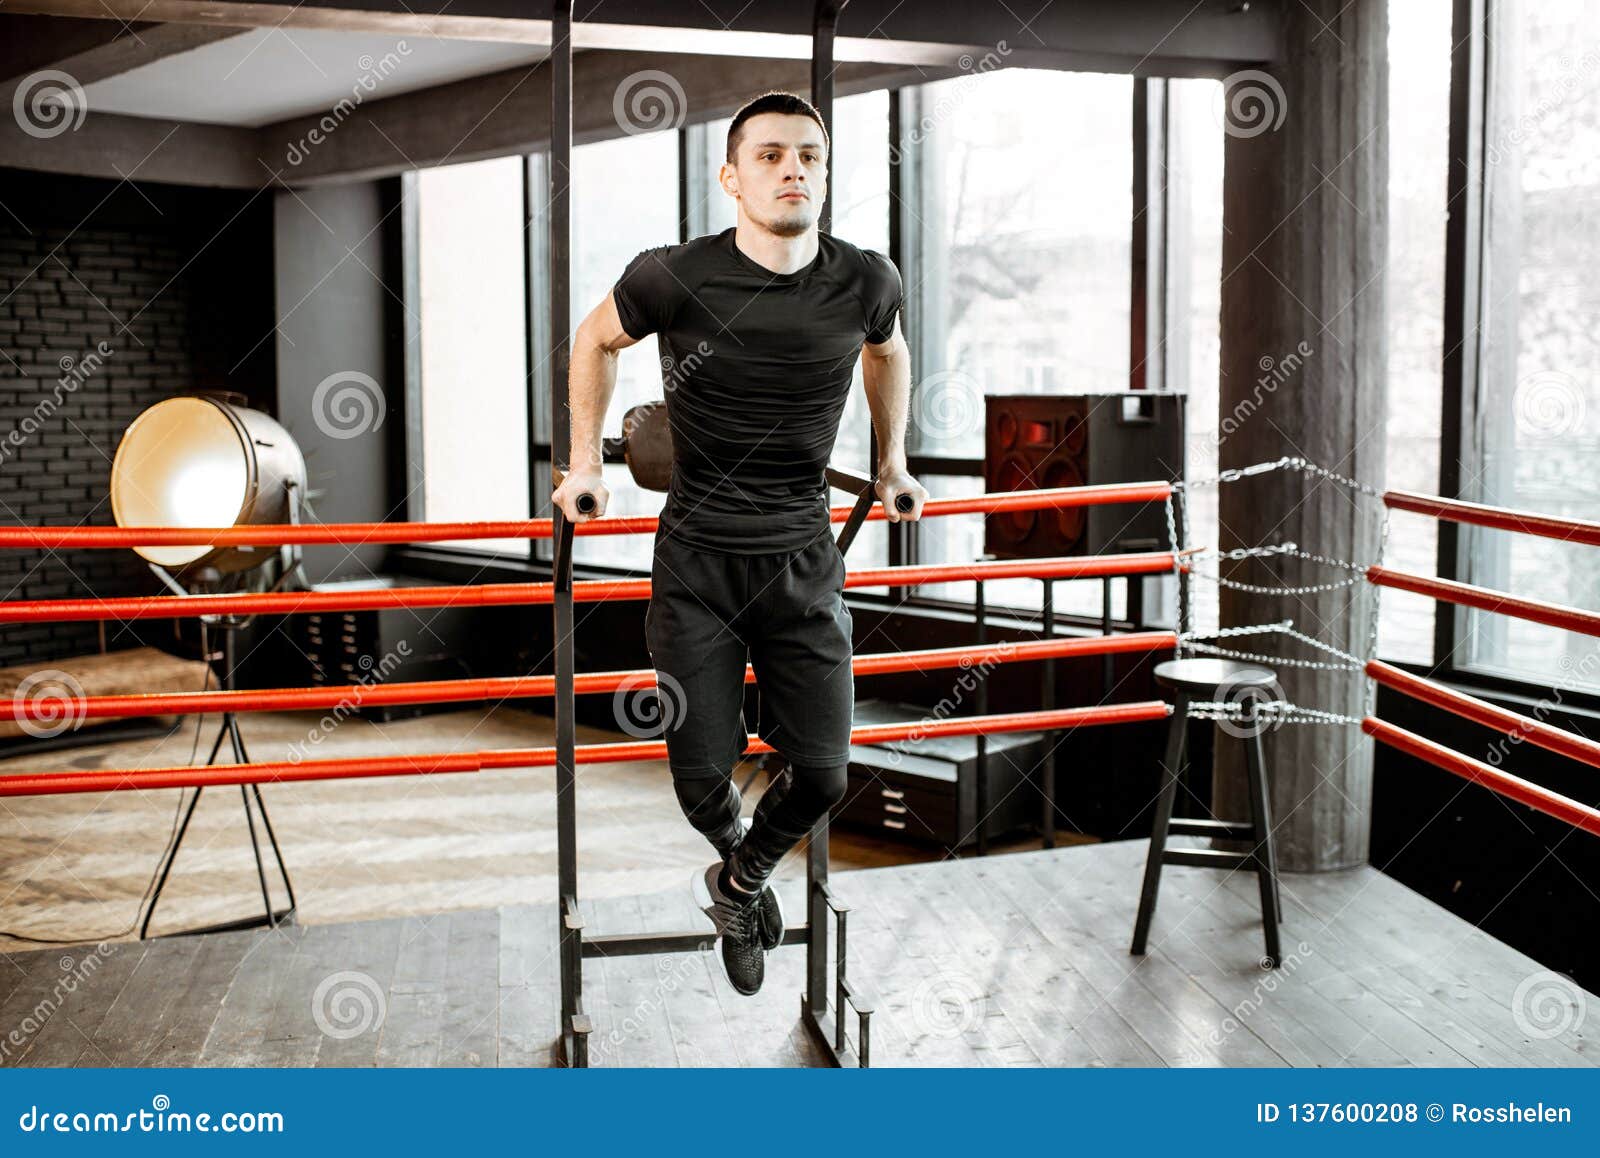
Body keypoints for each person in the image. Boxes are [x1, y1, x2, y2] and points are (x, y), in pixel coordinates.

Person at [552, 90, 925, 996]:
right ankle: (735, 858)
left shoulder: (865, 280)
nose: (793, 168)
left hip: (802, 557)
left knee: (826, 776)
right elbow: (594, 339)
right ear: (731, 176)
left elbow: (888, 351)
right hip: (697, 565)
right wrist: (582, 465)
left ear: (825, 175)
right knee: (698, 782)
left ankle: (739, 883)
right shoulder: (675, 275)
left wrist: (893, 461)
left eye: (810, 155)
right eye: (769, 155)